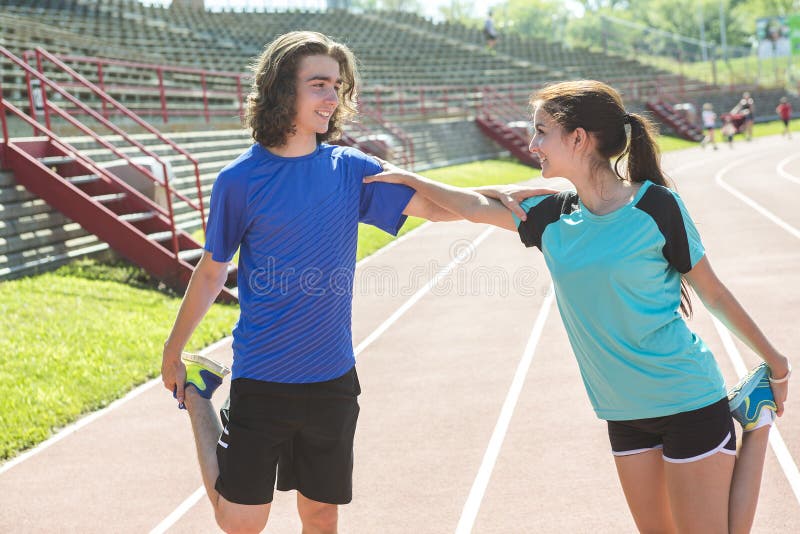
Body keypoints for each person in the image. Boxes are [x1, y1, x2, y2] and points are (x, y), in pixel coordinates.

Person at [367, 80, 791, 533]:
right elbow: (467, 207)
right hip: (623, 413)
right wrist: (409, 178)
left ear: (578, 138)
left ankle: (758, 418)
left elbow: (714, 293)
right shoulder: (551, 215)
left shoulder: (656, 207)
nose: (532, 144)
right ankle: (754, 416)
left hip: (685, 397)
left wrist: (775, 363)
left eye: (541, 131)